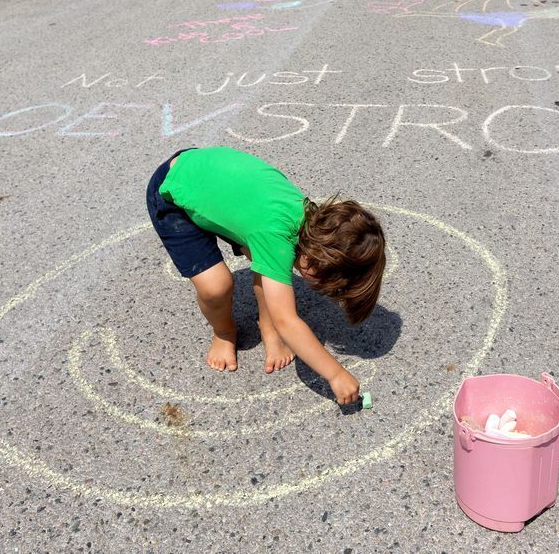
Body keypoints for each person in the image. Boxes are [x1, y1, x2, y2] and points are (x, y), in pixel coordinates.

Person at [146, 146, 386, 405]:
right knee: (216, 287)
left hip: (216, 182)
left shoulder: (312, 221)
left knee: (270, 263)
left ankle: (266, 326)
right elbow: (288, 321)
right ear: (314, 261)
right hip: (173, 190)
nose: (324, 290)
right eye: (326, 283)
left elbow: (271, 257)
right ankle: (224, 331)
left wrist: (274, 327)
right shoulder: (276, 237)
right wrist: (335, 374)